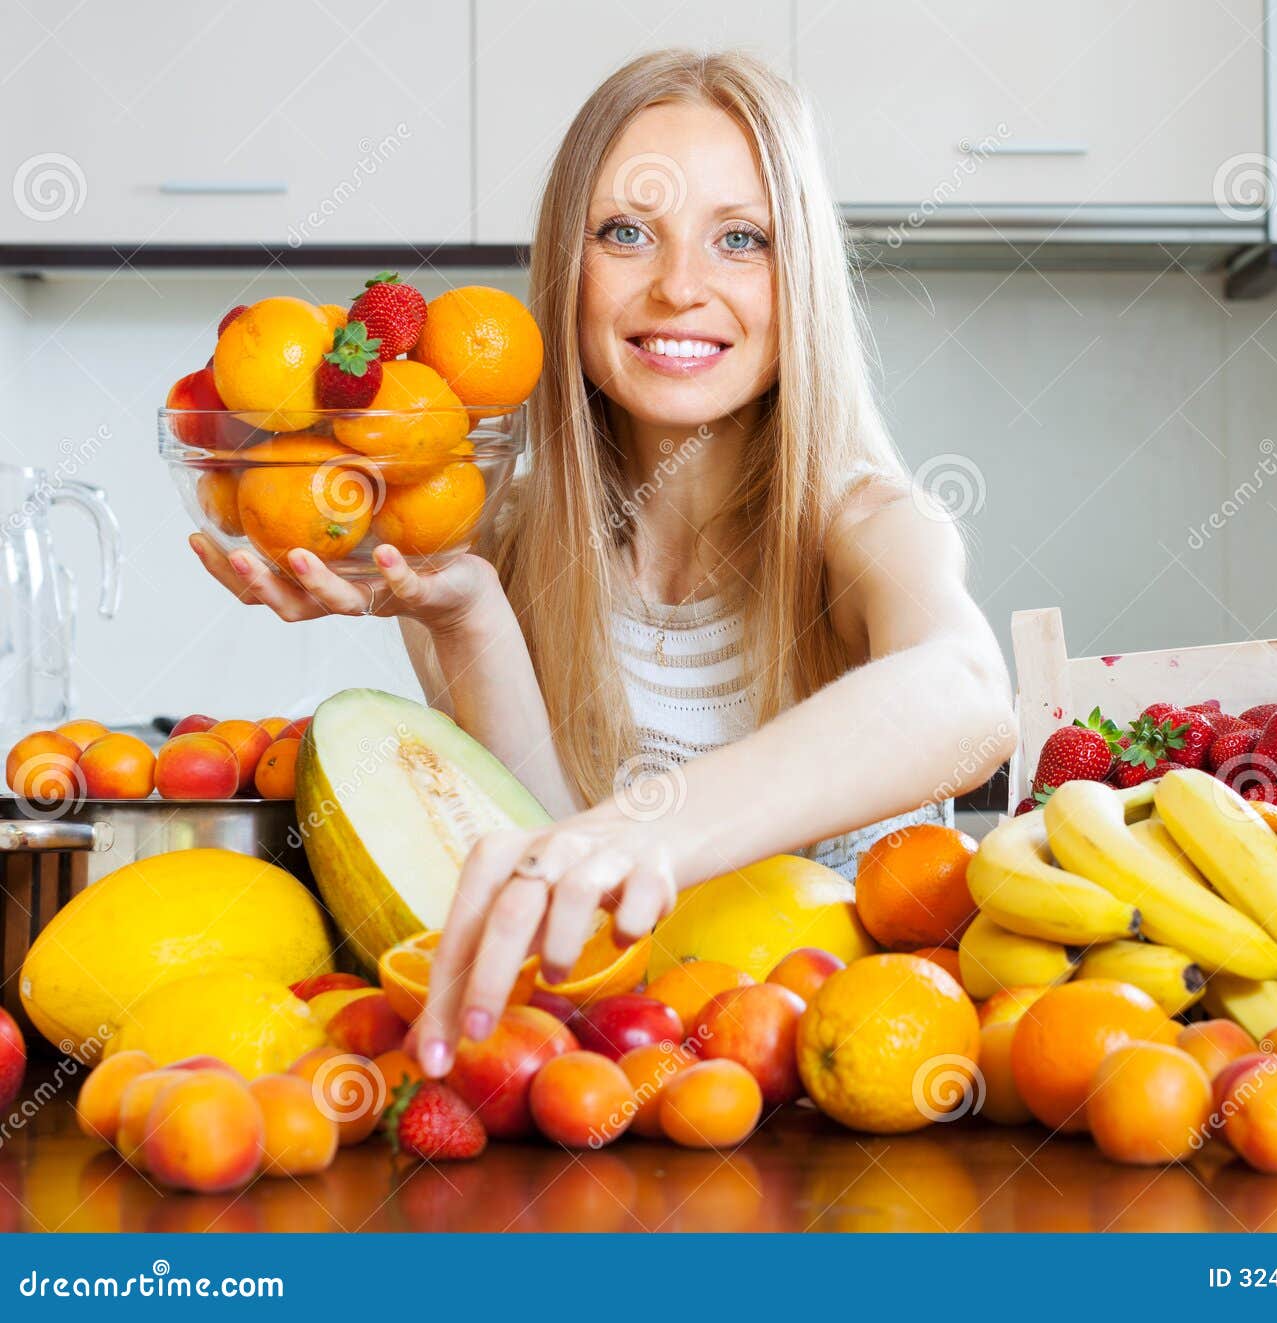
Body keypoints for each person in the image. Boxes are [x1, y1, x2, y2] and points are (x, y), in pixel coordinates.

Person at [192, 50, 1014, 1078]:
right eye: (626, 233)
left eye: (741, 240)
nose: (679, 287)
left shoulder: (868, 522)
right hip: (635, 1106)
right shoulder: (484, 544)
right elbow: (568, 923)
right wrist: (470, 622)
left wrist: (654, 830)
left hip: (856, 1120)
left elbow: (968, 694)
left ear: (796, 275)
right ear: (565, 271)